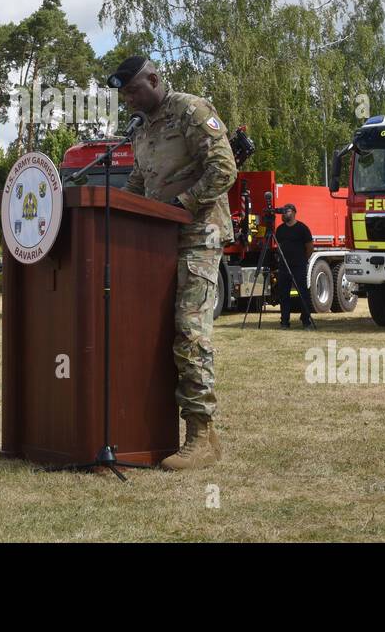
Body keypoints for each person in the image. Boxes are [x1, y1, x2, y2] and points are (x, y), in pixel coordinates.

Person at [109, 55, 237, 471]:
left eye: (133, 91)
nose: (128, 100)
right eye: (123, 94)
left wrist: (182, 205)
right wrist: (118, 208)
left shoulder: (191, 111)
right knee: (155, 330)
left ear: (154, 79)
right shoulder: (141, 130)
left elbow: (224, 168)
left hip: (199, 235)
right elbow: (140, 183)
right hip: (158, 241)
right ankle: (152, 430)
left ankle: (202, 435)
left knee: (189, 329)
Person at [271, 203, 315, 329]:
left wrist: (303, 259)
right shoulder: (280, 230)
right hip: (284, 266)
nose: (284, 214)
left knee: (302, 293)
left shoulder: (302, 228)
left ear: (294, 212)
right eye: (283, 212)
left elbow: (310, 247)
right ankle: (284, 321)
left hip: (298, 266)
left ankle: (306, 320)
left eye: (287, 211)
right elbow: (279, 246)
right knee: (284, 294)